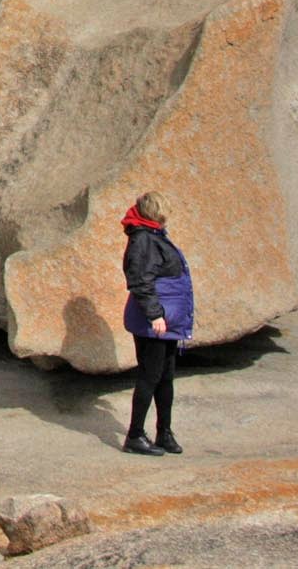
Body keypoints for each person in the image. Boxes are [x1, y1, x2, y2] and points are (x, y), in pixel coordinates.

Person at [119, 191, 193, 456]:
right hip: (154, 321)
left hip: (167, 319)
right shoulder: (143, 240)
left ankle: (164, 432)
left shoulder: (153, 235)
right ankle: (135, 435)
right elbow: (140, 280)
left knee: (166, 377)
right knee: (150, 376)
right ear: (154, 213)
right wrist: (155, 315)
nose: (165, 219)